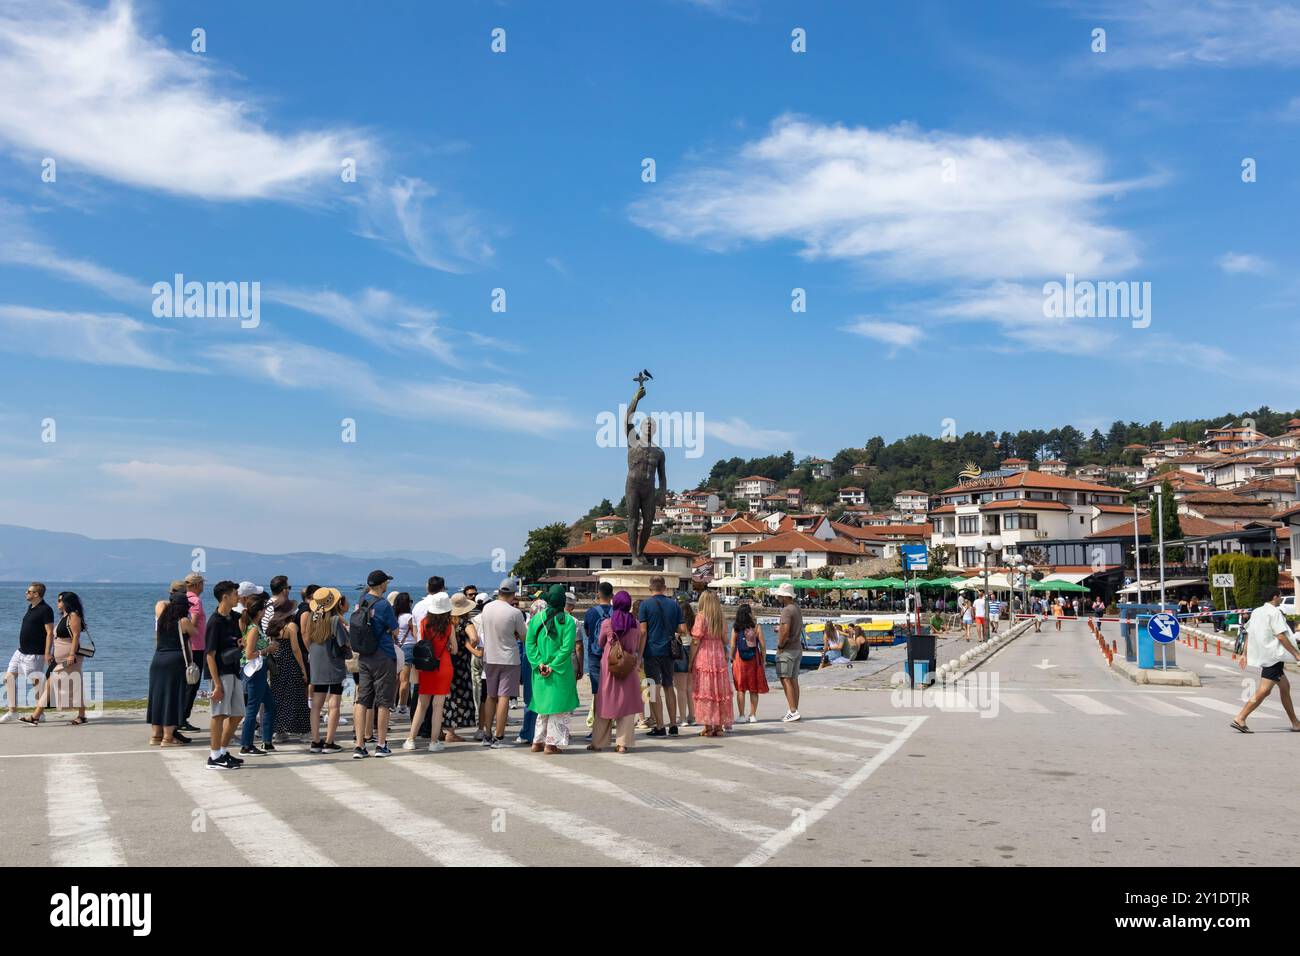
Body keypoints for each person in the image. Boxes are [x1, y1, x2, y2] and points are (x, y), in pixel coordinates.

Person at [1232, 591, 1300, 733]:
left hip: (1267, 656)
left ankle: (1295, 723)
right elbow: (1280, 636)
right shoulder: (1274, 613)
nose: (1281, 598)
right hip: (1273, 657)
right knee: (1264, 690)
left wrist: (1244, 654)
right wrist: (1296, 654)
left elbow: (1250, 632)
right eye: (1280, 596)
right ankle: (1241, 717)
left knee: (1285, 687)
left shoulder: (1257, 612)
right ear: (1274, 597)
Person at [524, 585, 579, 754]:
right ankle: (551, 744)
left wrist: (539, 663)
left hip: (540, 671)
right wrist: (553, 665)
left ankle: (537, 741)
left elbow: (529, 644)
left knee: (543, 706)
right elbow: (567, 648)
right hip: (560, 671)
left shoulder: (536, 619)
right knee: (559, 707)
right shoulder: (568, 621)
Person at [23, 591, 89, 726]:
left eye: (60, 601)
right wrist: (50, 653)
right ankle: (81, 716)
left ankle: (35, 716)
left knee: (53, 684)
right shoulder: (64, 616)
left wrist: (71, 655)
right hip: (59, 658)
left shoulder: (74, 615)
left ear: (67, 602)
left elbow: (76, 636)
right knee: (70, 685)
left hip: (70, 658)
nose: (57, 603)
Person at [353, 570, 399, 758]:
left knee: (363, 700)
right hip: (383, 655)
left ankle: (359, 745)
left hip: (364, 655)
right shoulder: (383, 604)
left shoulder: (361, 601)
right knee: (383, 701)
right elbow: (395, 630)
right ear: (382, 585)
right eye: (386, 582)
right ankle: (380, 745)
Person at [590, 590, 643, 753]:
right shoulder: (635, 623)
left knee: (605, 702)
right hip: (628, 666)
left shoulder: (608, 623)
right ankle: (622, 743)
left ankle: (598, 742)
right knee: (626, 704)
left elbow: (599, 643)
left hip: (610, 665)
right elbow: (635, 646)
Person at [479, 578, 526, 749]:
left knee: (490, 696)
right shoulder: (514, 613)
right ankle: (499, 737)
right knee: (504, 697)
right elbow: (524, 636)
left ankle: (487, 734)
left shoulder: (487, 608)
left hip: (489, 656)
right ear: (513, 594)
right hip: (508, 658)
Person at [404, 593, 455, 751]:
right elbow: (455, 649)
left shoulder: (424, 622)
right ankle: (434, 742)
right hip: (444, 665)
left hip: (427, 666)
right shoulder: (449, 625)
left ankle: (411, 739)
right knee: (438, 705)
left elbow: (421, 642)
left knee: (422, 704)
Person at [203, 581, 245, 768]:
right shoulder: (214, 622)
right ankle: (213, 757)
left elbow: (237, 640)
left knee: (237, 714)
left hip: (234, 670)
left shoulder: (234, 617)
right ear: (225, 597)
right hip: (220, 673)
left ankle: (222, 751)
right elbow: (210, 655)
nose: (238, 597)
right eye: (235, 594)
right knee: (219, 715)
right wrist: (217, 684)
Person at [305, 587, 350, 754]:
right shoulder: (334, 621)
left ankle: (315, 741)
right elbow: (343, 642)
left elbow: (308, 638)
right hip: (333, 662)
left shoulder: (312, 617)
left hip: (316, 662)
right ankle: (330, 742)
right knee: (334, 703)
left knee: (316, 704)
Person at [638, 575, 685, 737]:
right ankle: (673, 724)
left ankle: (659, 726)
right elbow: (683, 629)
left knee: (653, 688)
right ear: (664, 588)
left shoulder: (645, 605)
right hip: (669, 651)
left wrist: (639, 655)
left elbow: (643, 631)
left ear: (650, 588)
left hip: (651, 651)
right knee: (669, 686)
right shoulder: (674, 605)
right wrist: (675, 634)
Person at [3, 583, 54, 722]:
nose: (26, 593)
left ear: (36, 594)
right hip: (20, 652)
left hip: (35, 654)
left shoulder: (46, 610)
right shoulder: (31, 607)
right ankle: (12, 711)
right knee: (8, 678)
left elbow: (50, 632)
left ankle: (40, 713)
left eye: (29, 591)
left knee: (37, 684)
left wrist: (48, 652)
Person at [689, 590, 732, 737]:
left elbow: (696, 640)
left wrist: (690, 660)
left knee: (705, 690)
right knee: (719, 690)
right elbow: (726, 640)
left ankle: (708, 726)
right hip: (718, 654)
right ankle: (719, 726)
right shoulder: (721, 618)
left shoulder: (700, 617)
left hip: (704, 655)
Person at [238, 591, 276, 755]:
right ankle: (246, 745)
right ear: (260, 612)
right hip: (254, 671)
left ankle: (266, 741)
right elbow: (249, 654)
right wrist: (267, 649)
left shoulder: (253, 627)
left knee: (270, 705)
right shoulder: (253, 628)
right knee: (253, 709)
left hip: (258, 670)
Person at [441, 593, 479, 742]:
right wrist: (470, 645)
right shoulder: (466, 623)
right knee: (459, 695)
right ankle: (451, 732)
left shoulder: (446, 622)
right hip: (461, 663)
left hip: (447, 661)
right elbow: (474, 638)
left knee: (448, 696)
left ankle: (444, 729)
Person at [178, 572, 206, 733]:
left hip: (186, 647)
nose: (203, 587)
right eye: (201, 584)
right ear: (195, 585)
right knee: (192, 683)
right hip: (196, 647)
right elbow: (193, 622)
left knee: (185, 683)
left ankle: (179, 717)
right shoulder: (195, 600)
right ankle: (183, 718)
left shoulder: (182, 597)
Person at [731, 602, 768, 722]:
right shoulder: (756, 627)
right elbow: (762, 646)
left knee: (740, 688)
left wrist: (732, 658)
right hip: (754, 659)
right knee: (753, 688)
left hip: (739, 660)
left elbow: (732, 645)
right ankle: (752, 715)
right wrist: (764, 659)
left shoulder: (736, 628)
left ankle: (741, 715)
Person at [583, 582, 614, 719]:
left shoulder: (591, 612)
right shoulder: (617, 613)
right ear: (612, 595)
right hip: (612, 656)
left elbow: (588, 633)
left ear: (598, 594)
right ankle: (611, 720)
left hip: (595, 655)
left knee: (597, 691)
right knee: (612, 690)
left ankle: (597, 726)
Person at [673, 597, 696, 727]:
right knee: (689, 688)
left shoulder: (678, 625)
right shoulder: (694, 624)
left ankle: (682, 718)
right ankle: (692, 716)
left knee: (680, 689)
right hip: (692, 652)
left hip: (680, 652)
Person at [391, 592, 416, 719]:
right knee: (405, 680)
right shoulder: (409, 617)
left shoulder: (394, 616)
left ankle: (391, 705)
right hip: (408, 647)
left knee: (395, 679)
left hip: (395, 647)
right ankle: (402, 706)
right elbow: (415, 634)